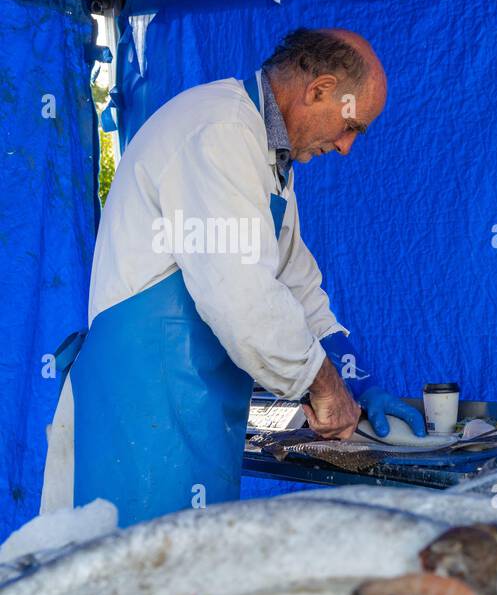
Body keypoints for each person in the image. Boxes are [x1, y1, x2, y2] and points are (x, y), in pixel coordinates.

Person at [40, 27, 425, 526]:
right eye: (353, 126)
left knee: (190, 587)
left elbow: (294, 279)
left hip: (192, 410)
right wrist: (323, 386)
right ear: (320, 90)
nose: (348, 147)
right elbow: (244, 305)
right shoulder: (219, 132)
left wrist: (355, 375)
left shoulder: (269, 158)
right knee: (137, 584)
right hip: (140, 413)